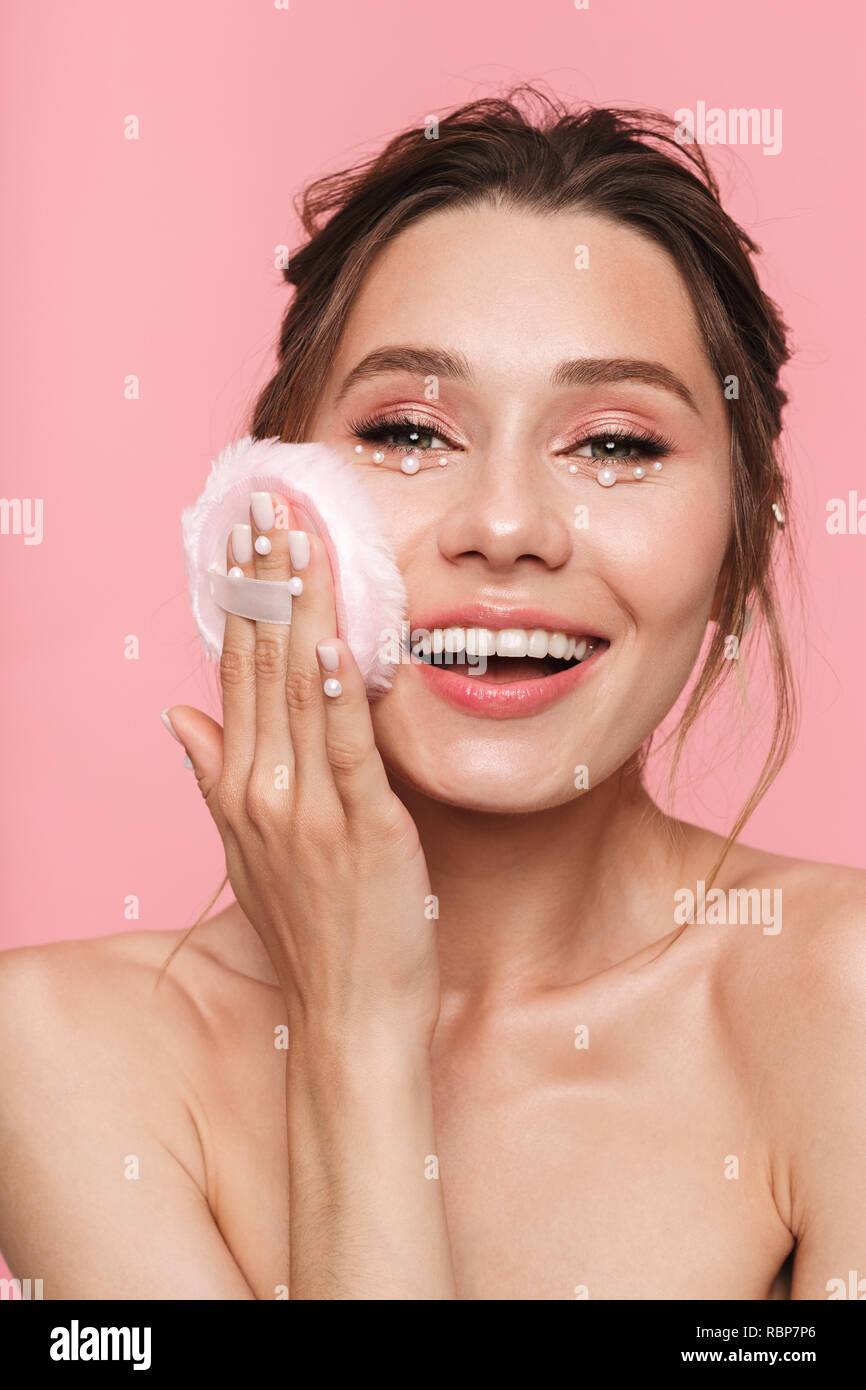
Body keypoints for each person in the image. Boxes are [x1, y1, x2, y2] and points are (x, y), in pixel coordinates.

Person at [2, 87, 864, 1301]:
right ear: (267, 500)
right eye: (408, 431)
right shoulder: (55, 1048)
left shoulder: (841, 1004)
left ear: (736, 540)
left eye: (614, 444)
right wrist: (353, 1029)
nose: (504, 527)